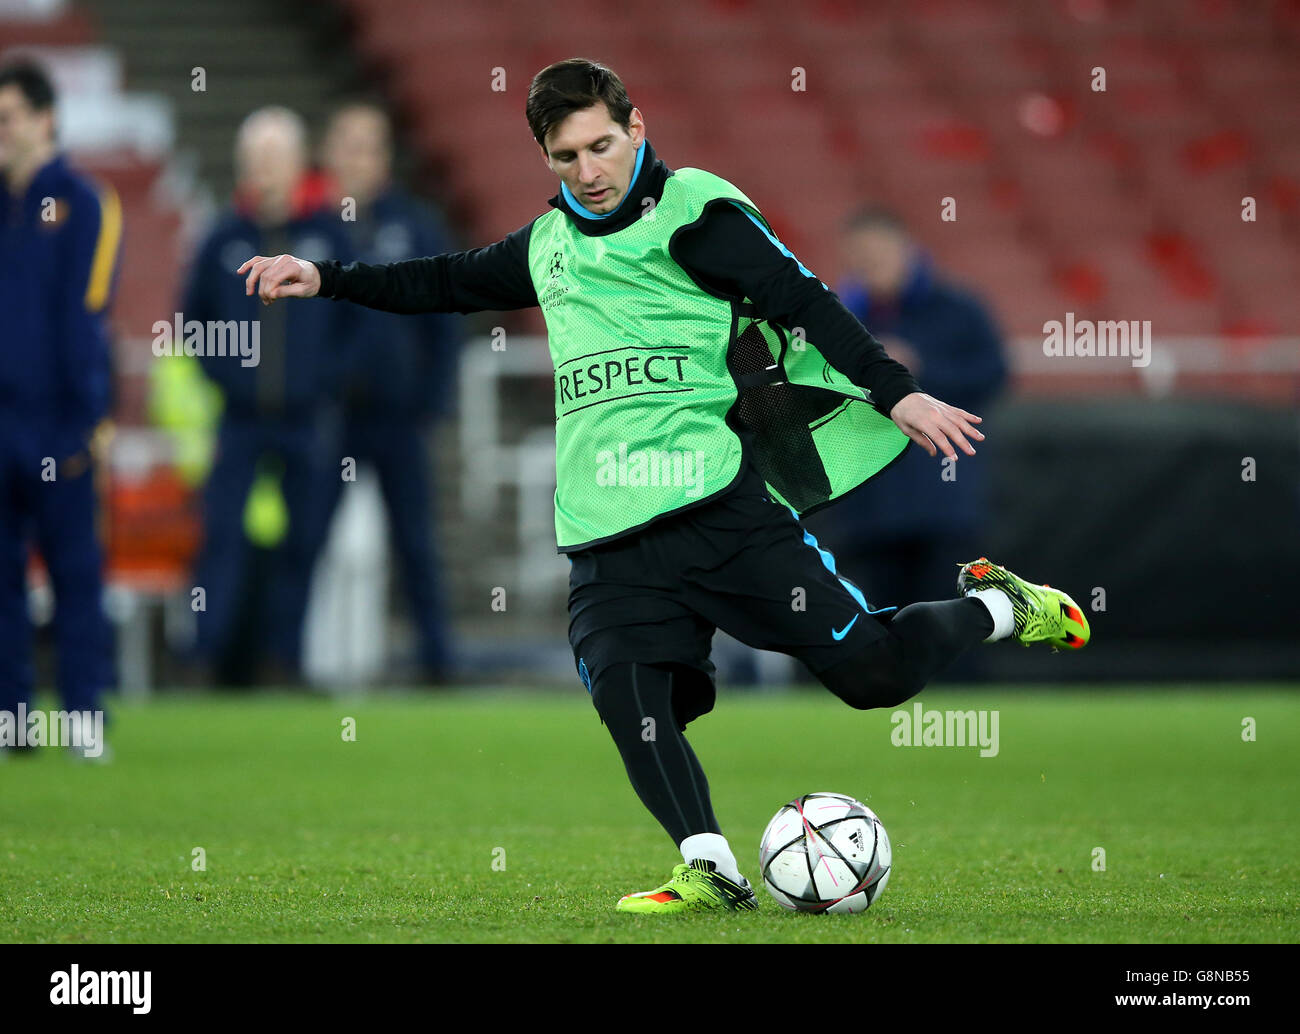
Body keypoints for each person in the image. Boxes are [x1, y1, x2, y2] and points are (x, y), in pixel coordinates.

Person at [236, 59, 1090, 912]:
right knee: (626, 690)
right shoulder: (547, 246)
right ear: (547, 159)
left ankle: (1004, 607)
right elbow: (447, 280)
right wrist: (327, 279)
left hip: (717, 506)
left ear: (636, 129)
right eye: (566, 156)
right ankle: (708, 861)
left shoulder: (697, 214)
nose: (590, 172)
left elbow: (804, 300)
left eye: (602, 146)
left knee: (874, 676)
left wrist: (893, 388)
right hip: (607, 526)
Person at [181, 106, 354, 685]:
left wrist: (324, 379)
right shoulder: (221, 239)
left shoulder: (329, 236)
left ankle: (286, 661)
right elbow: (193, 319)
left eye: (275, 157)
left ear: (299, 162)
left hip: (308, 419)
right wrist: (229, 378)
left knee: (303, 542)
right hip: (240, 418)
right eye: (256, 158)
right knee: (221, 538)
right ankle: (208, 661)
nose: (265, 169)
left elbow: (359, 318)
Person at [805, 206, 1009, 672]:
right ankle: (895, 715)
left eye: (878, 256)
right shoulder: (840, 317)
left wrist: (916, 370)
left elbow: (993, 375)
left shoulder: (958, 309)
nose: (871, 268)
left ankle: (961, 716)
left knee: (952, 616)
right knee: (882, 622)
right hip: (868, 500)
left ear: (906, 250)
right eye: (861, 259)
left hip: (943, 496)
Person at [315, 102, 461, 682]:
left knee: (417, 545)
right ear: (329, 153)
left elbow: (447, 318)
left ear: (385, 157)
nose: (357, 158)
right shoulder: (312, 228)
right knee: (307, 538)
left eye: (369, 145)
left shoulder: (418, 225)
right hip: (332, 419)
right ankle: (280, 663)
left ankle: (438, 664)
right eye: (347, 144)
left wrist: (434, 399)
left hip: (400, 419)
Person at [0, 58, 120, 759]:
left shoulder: (84, 201)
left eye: (9, 118)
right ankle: (14, 721)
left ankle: (83, 717)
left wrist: (89, 417)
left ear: (46, 120)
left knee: (76, 574)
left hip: (60, 422)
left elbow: (88, 311)